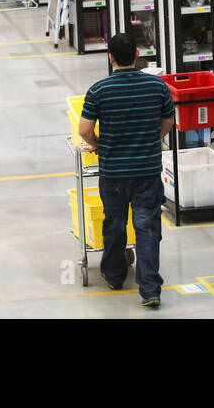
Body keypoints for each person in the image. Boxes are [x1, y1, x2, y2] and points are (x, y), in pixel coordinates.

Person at [78, 33, 174, 307]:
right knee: (146, 227)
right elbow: (168, 120)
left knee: (115, 224)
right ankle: (150, 290)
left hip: (114, 173)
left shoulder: (99, 90)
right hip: (146, 170)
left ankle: (114, 275)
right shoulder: (156, 86)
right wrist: (153, 138)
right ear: (136, 55)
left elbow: (84, 129)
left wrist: (98, 145)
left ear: (110, 58)